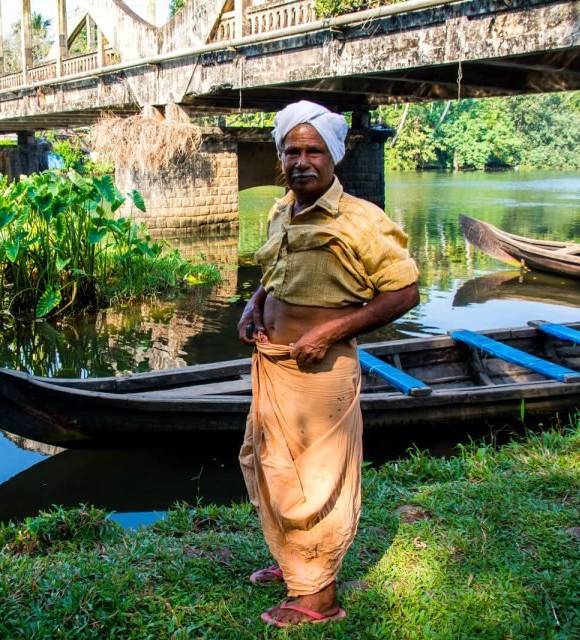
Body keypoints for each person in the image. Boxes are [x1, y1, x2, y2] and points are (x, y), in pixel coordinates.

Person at [237, 100, 420, 628]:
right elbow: (273, 274)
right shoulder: (280, 210)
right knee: (270, 465)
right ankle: (293, 562)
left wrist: (332, 331)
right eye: (291, 151)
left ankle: (319, 597)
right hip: (274, 361)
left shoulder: (362, 220)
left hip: (321, 370)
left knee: (314, 482)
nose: (301, 161)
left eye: (313, 150)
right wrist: (254, 306)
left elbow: (404, 292)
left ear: (334, 155)